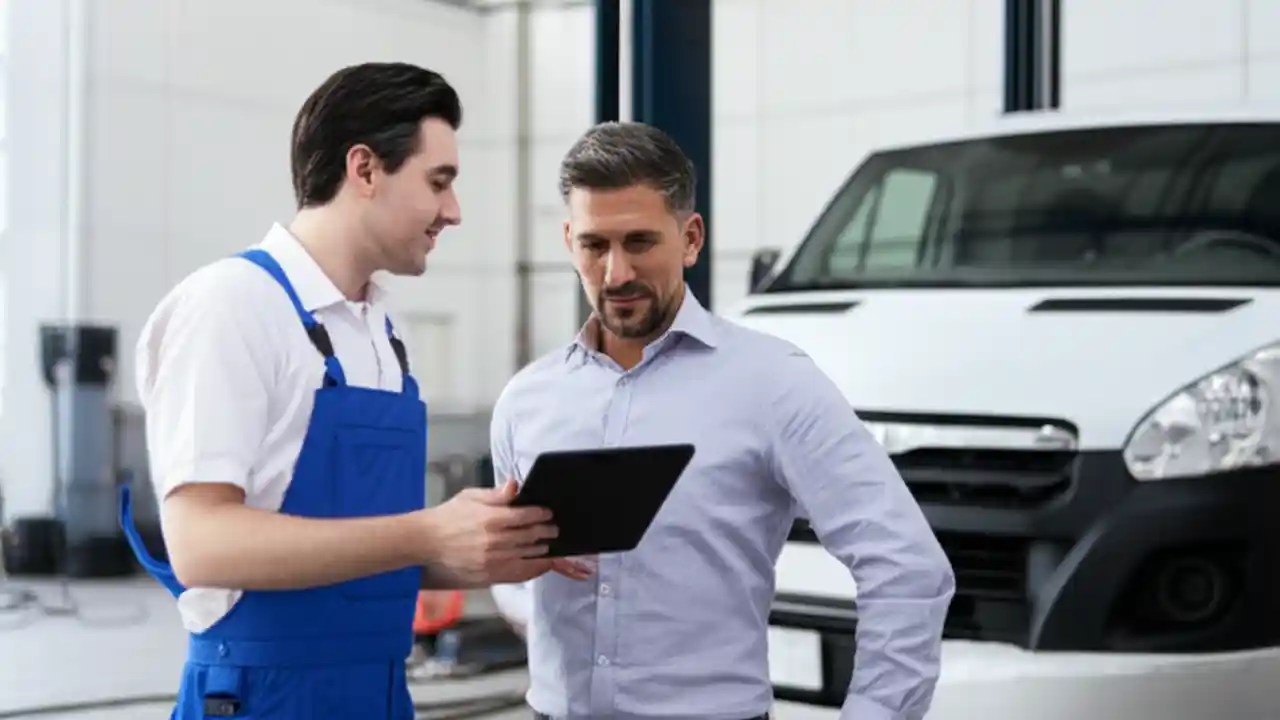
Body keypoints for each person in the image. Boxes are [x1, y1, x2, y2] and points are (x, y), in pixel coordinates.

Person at [118, 62, 588, 720]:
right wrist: (427, 533)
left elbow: (363, 556)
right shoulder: (232, 305)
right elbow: (202, 546)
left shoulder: (384, 335)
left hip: (380, 693)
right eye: (439, 182)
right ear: (364, 169)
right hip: (262, 698)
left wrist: (480, 552)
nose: (453, 212)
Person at [488, 121, 956, 720]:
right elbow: (509, 567)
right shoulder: (527, 400)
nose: (616, 274)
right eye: (595, 245)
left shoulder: (772, 383)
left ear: (690, 238)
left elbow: (908, 566)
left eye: (639, 242)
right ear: (568, 240)